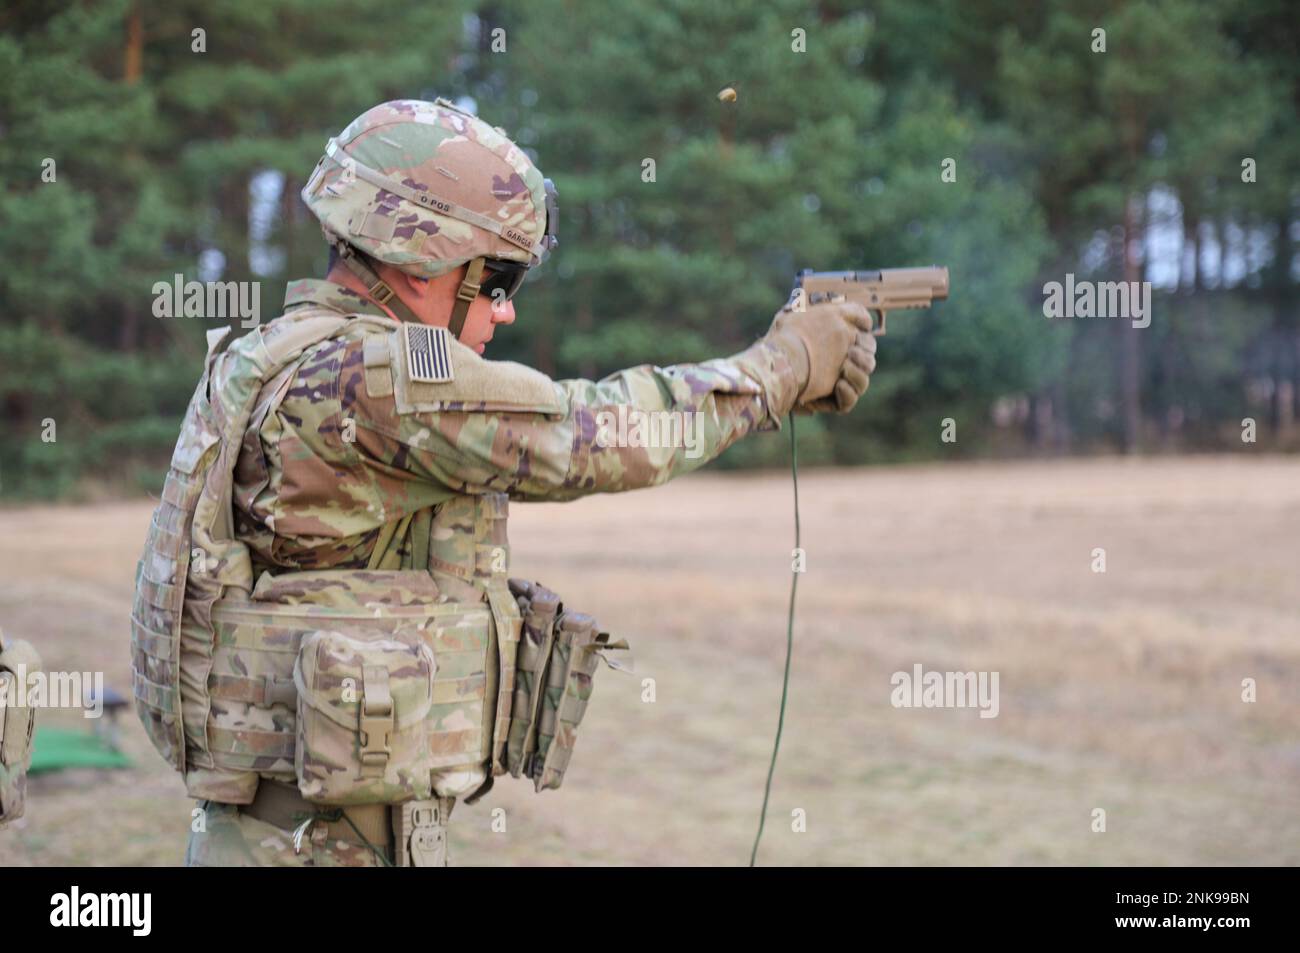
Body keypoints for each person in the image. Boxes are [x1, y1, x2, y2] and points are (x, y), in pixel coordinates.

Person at [129, 98, 876, 866]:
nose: (507, 310)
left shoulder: (279, 354)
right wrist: (777, 370)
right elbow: (588, 437)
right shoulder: (367, 381)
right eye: (496, 278)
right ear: (423, 257)